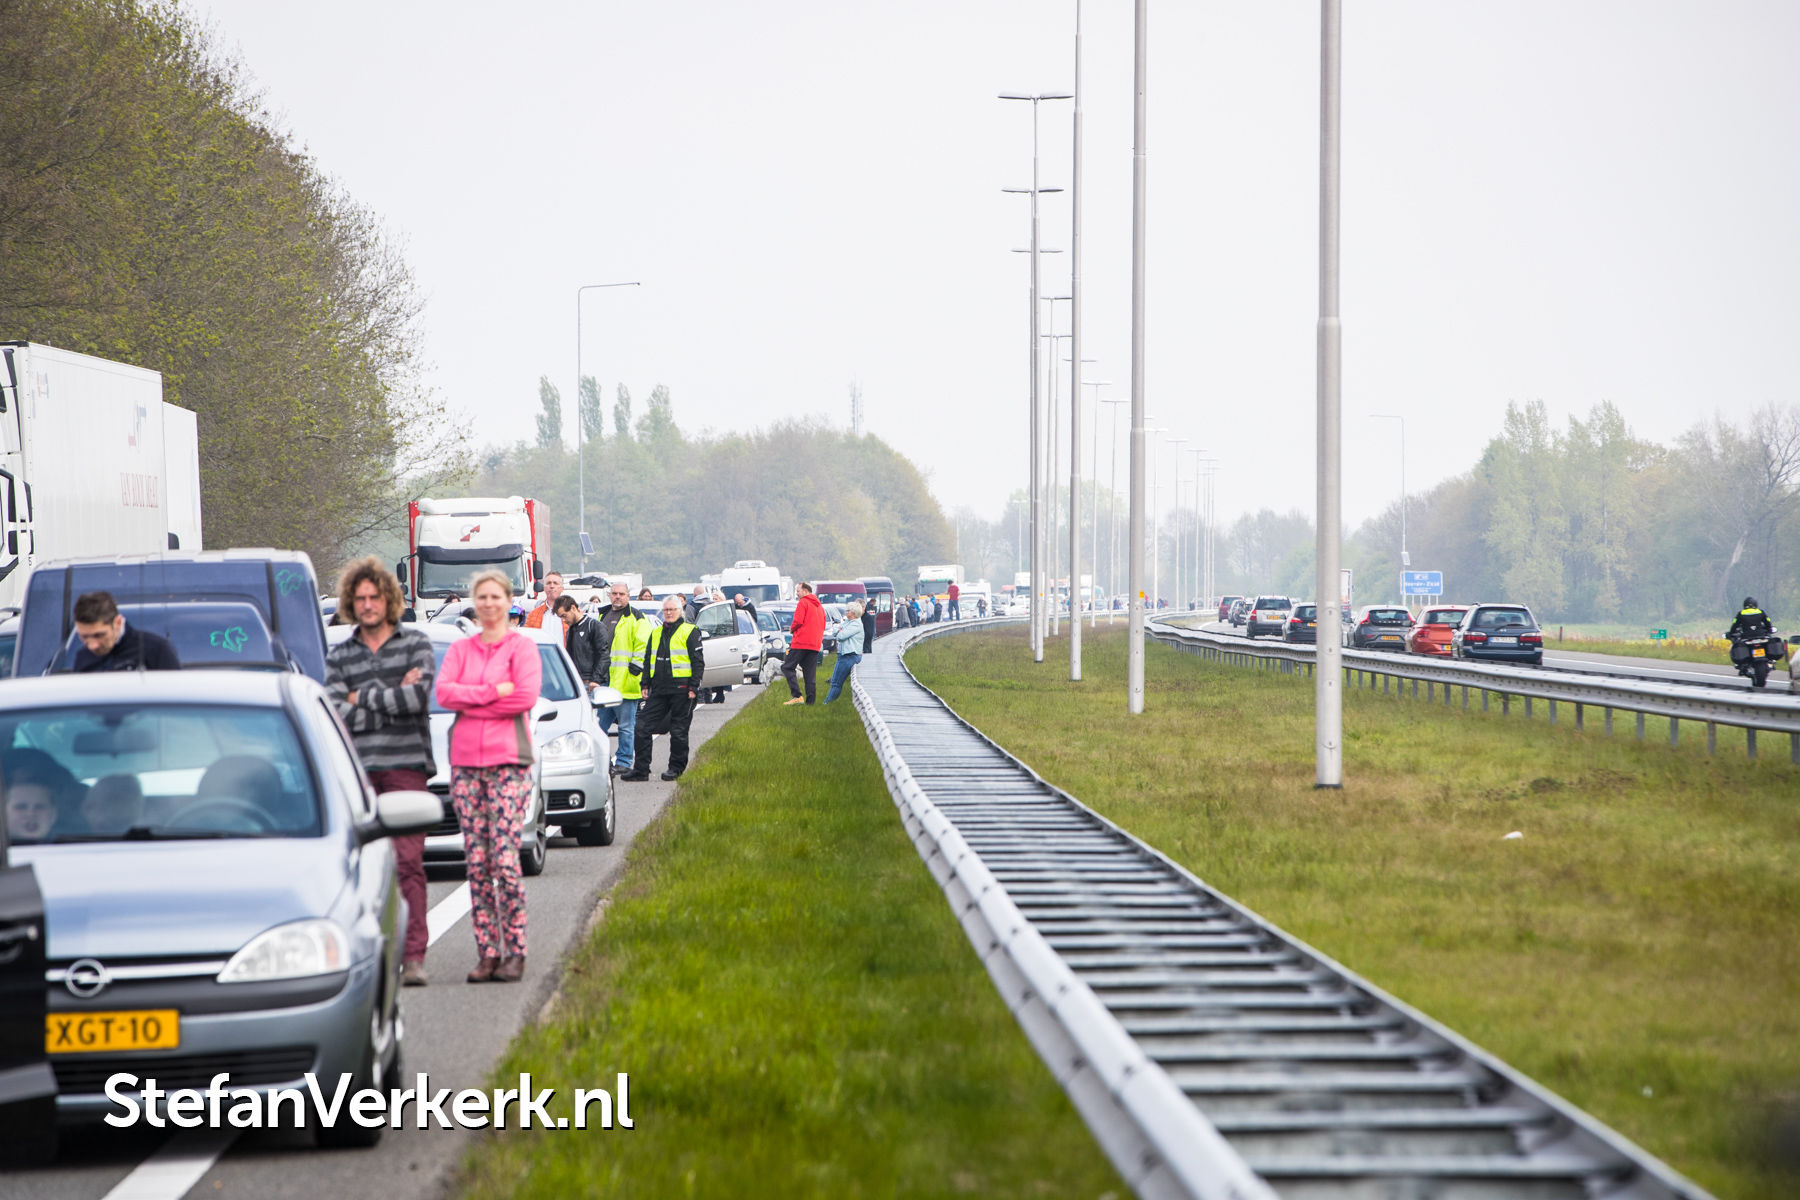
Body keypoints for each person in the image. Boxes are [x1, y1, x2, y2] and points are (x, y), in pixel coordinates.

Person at [326, 557, 438, 987]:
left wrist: (362, 698)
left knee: (407, 863)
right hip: (356, 774)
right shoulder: (341, 654)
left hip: (406, 767)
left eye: (375, 597)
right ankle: (368, 958)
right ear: (350, 603)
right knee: (359, 870)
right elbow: (335, 712)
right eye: (360, 598)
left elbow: (417, 699)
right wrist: (390, 696)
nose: (368, 604)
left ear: (388, 599)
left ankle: (413, 957)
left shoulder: (415, 643)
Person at [435, 569, 542, 984]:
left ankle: (515, 950)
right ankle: (488, 952)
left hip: (508, 763)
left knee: (504, 859)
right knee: (477, 863)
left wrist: (473, 701)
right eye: (482, 597)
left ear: (508, 601)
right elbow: (445, 694)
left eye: (496, 597)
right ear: (475, 604)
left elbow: (524, 696)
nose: (489, 604)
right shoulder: (461, 649)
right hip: (465, 765)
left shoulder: (522, 648)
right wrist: (493, 692)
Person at [623, 595, 704, 782]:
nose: (668, 613)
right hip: (659, 690)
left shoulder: (690, 631)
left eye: (672, 610)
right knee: (641, 726)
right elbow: (647, 660)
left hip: (682, 690)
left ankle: (676, 769)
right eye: (666, 610)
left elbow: (698, 662)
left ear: (680, 611)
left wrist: (694, 687)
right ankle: (641, 770)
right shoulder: (656, 632)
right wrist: (645, 684)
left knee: (678, 731)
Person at [595, 581, 650, 775]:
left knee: (626, 727)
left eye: (621, 594)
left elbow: (643, 644)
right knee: (598, 726)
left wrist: (636, 667)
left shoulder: (637, 617)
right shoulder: (602, 615)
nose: (617, 596)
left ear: (628, 596)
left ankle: (624, 761)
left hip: (625, 682)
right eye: (614, 593)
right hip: (605, 682)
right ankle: (601, 759)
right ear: (610, 595)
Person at [70, 591, 180, 672]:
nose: (92, 646)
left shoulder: (156, 650)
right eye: (84, 637)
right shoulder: (83, 658)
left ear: (118, 623)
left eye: (99, 635)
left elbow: (175, 693)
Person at [782, 582, 826, 706]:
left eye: (798, 591)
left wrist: (792, 629)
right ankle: (810, 702)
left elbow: (798, 621)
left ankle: (797, 696)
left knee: (787, 667)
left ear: (805, 591)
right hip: (815, 643)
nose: (797, 593)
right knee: (810, 674)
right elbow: (823, 625)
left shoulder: (803, 602)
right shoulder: (820, 606)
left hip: (801, 642)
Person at [556, 595, 607, 693]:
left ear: (573, 608)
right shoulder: (570, 630)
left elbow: (603, 655)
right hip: (577, 682)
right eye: (560, 617)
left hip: (592, 683)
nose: (563, 620)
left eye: (564, 615)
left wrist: (596, 680)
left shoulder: (594, 626)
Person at [824, 600, 865, 703]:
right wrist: (839, 631)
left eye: (848, 611)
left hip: (849, 656)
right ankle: (828, 702)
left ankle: (827, 703)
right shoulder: (848, 622)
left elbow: (841, 636)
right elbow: (835, 631)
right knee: (834, 681)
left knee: (836, 682)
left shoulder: (856, 624)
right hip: (843, 656)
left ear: (854, 612)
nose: (846, 612)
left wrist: (840, 631)